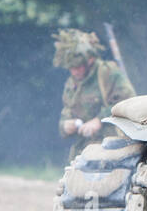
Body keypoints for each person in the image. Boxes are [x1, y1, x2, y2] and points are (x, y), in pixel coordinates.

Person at [53, 29, 136, 161]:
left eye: (78, 66)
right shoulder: (71, 84)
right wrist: (65, 125)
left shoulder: (107, 74)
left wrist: (99, 120)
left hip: (111, 149)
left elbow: (129, 102)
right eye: (71, 68)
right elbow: (67, 111)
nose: (74, 72)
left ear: (90, 60)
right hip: (83, 152)